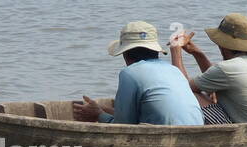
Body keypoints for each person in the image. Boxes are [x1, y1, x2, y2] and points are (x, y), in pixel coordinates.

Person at [72, 22, 204, 125]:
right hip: (194, 130)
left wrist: (98, 115)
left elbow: (123, 127)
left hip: (162, 136)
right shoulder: (174, 70)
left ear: (125, 53)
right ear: (156, 51)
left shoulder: (129, 73)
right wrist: (102, 109)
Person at [168, 13, 247, 124]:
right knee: (209, 91)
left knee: (193, 94)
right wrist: (197, 53)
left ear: (222, 45)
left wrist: (175, 50)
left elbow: (182, 88)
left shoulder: (227, 69)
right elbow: (215, 76)